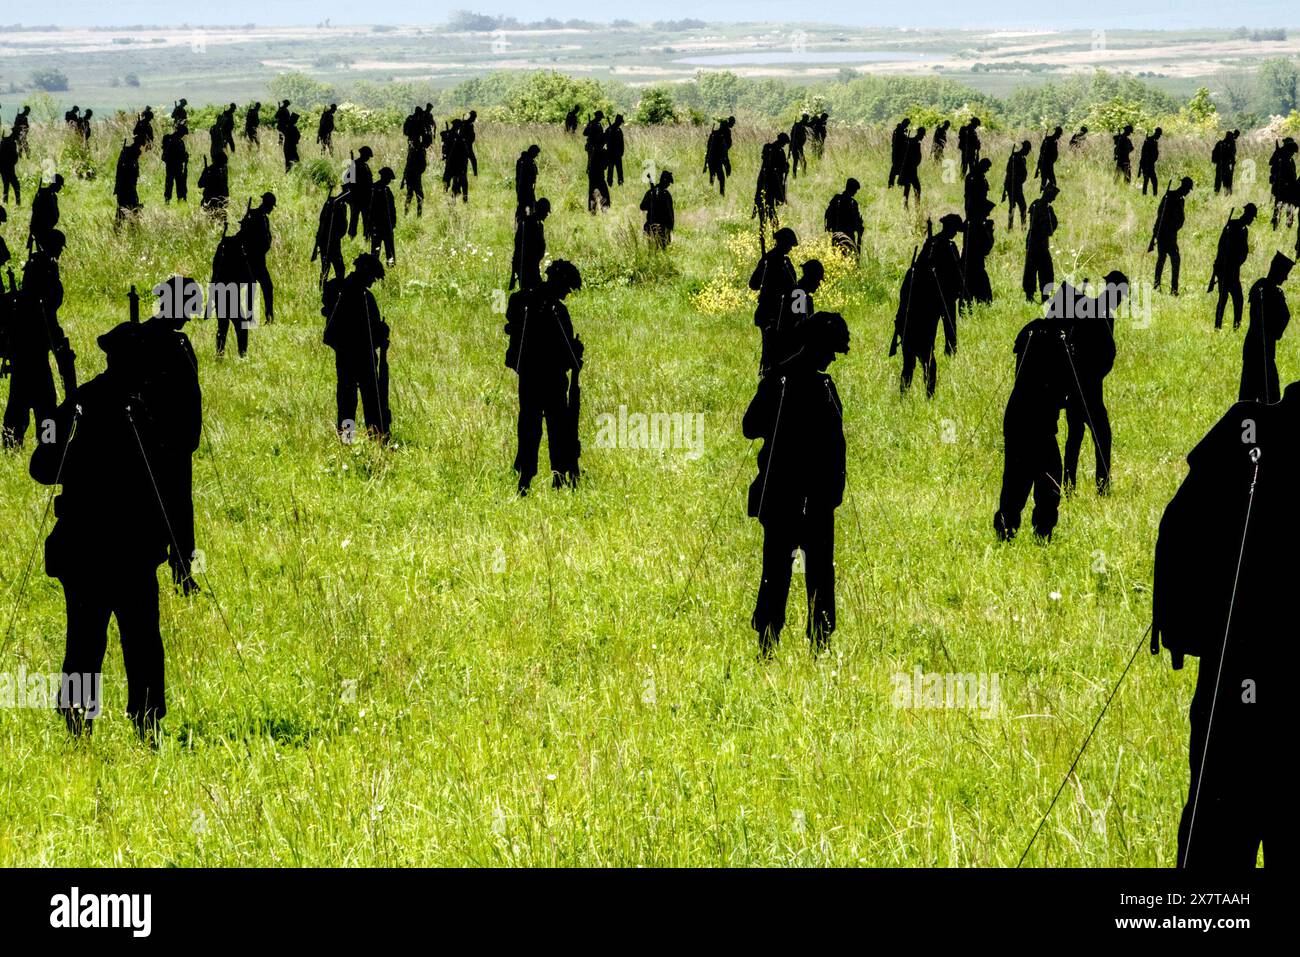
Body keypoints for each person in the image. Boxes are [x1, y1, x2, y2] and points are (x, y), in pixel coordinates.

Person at [1152, 380, 1300, 867]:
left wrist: (1179, 629)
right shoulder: (1246, 430)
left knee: (1214, 842)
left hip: (1234, 682)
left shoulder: (1245, 429)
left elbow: (1177, 527)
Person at [29, 314, 178, 742]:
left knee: (88, 641)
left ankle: (83, 723)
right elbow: (44, 465)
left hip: (88, 550)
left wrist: (65, 425)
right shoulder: (141, 409)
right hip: (124, 550)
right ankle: (144, 724)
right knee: (140, 641)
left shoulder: (84, 403)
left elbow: (43, 462)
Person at [744, 312, 850, 659]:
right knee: (817, 572)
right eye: (831, 351)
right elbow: (837, 441)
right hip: (811, 498)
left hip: (782, 496)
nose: (832, 358)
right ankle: (816, 646)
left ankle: (769, 645)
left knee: (777, 571)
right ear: (818, 347)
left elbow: (751, 426)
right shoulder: (819, 386)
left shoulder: (779, 379)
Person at [503, 259, 584, 494]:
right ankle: (557, 475)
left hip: (529, 378)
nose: (567, 294)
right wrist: (576, 353)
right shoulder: (556, 311)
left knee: (530, 426)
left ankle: (526, 478)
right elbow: (567, 350)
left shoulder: (524, 302)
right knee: (557, 428)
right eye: (566, 289)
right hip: (552, 379)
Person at [993, 308, 1074, 542]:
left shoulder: (1031, 331)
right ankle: (1041, 532)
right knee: (1049, 478)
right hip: (1039, 422)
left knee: (1015, 477)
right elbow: (1063, 386)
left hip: (1018, 416)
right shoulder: (1057, 341)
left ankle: (1007, 530)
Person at [1056, 273, 1127, 496]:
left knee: (1075, 436)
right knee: (1102, 437)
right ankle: (1101, 488)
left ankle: (1069, 487)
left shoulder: (1096, 310)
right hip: (1088, 388)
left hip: (1079, 386)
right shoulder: (1097, 312)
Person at [2, 230, 74, 448]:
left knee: (19, 406)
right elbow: (51, 311)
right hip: (35, 358)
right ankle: (48, 445)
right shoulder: (44, 278)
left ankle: (12, 446)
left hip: (23, 357)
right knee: (45, 408)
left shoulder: (22, 302)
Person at [323, 253, 391, 442]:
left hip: (345, 358)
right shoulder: (363, 297)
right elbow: (370, 335)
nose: (373, 281)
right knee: (370, 401)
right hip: (363, 358)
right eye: (372, 277)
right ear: (366, 273)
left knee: (347, 402)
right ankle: (375, 438)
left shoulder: (342, 292)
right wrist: (383, 333)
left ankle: (347, 439)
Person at [894, 214, 964, 396]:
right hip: (937, 300)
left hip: (923, 305)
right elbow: (956, 271)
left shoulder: (930, 245)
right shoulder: (947, 246)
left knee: (909, 362)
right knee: (929, 355)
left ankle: (906, 395)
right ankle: (928, 395)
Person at [1239, 252, 1294, 404]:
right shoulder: (1265, 289)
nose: (1286, 278)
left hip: (1258, 350)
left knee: (1253, 397)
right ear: (1278, 271)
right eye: (1285, 273)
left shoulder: (1262, 287)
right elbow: (1282, 317)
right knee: (1268, 399)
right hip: (1260, 351)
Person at [749, 227, 799, 371]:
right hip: (776, 312)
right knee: (776, 350)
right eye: (789, 245)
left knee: (770, 349)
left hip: (768, 311)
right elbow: (754, 284)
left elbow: (754, 284)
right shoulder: (781, 262)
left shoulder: (767, 260)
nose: (790, 248)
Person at [210, 222, 254, 359]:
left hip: (220, 292)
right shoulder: (238, 251)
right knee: (241, 326)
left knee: (222, 326)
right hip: (228, 294)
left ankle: (220, 354)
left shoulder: (223, 247)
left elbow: (214, 275)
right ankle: (242, 355)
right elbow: (249, 280)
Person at [1211, 204, 1256, 330]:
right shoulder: (1233, 227)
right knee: (1227, 299)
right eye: (1251, 217)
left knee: (1235, 299)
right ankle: (1221, 327)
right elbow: (1222, 247)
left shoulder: (1241, 229)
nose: (1252, 220)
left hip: (1233, 269)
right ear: (1247, 215)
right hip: (1226, 269)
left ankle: (1231, 327)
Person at [238, 192, 277, 323]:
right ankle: (253, 317)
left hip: (259, 259)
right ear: (267, 204)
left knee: (265, 287)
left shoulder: (262, 217)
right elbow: (243, 236)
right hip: (252, 259)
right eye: (271, 206)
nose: (272, 208)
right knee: (253, 287)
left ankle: (268, 315)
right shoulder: (253, 216)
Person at [1152, 176, 1193, 295]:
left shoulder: (1178, 199)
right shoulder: (1170, 197)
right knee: (1168, 259)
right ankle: (1168, 288)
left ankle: (1164, 287)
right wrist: (1156, 233)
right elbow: (1160, 215)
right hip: (1165, 233)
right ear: (1184, 187)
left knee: (1166, 259)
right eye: (1188, 189)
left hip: (1170, 234)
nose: (1188, 192)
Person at [1022, 183, 1059, 303]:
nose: (1054, 198)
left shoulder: (1045, 207)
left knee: (1045, 270)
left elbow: (1053, 224)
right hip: (1036, 243)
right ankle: (1031, 295)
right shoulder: (1039, 206)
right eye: (1053, 195)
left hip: (1040, 243)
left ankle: (1043, 295)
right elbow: (1044, 226)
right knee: (1034, 270)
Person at [961, 199, 996, 306]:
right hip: (975, 265)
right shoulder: (978, 226)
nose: (989, 214)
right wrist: (989, 232)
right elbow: (986, 249)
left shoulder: (969, 224)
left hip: (970, 264)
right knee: (983, 295)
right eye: (987, 211)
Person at [509, 198, 549, 291]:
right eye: (546, 211)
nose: (547, 214)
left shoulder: (539, 225)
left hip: (534, 266)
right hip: (527, 267)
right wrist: (514, 273)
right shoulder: (527, 224)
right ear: (541, 210)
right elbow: (518, 248)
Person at [311, 188, 348, 287]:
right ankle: (329, 290)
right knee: (335, 268)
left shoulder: (337, 204)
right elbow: (324, 223)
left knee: (329, 267)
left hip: (331, 241)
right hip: (329, 241)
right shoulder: (334, 204)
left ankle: (327, 289)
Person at [823, 178, 863, 257]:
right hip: (848, 235)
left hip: (836, 233)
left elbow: (828, 216)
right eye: (855, 190)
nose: (855, 192)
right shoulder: (852, 203)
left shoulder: (837, 199)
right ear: (851, 189)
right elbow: (856, 220)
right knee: (850, 256)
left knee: (837, 255)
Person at [368, 167, 397, 266]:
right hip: (378, 225)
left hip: (386, 225)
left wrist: (393, 223)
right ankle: (374, 269)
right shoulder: (374, 189)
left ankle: (390, 266)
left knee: (389, 251)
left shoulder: (386, 190)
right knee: (376, 251)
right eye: (388, 178)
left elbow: (392, 209)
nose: (389, 181)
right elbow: (370, 209)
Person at [113, 136, 144, 226]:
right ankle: (123, 230)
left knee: (131, 210)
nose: (140, 152)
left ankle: (132, 230)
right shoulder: (128, 156)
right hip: (125, 188)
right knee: (125, 209)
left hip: (128, 188)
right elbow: (125, 175)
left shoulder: (130, 155)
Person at [640, 171, 675, 248]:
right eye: (668, 182)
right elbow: (670, 213)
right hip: (662, 228)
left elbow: (642, 207)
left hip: (651, 227)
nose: (669, 185)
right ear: (665, 180)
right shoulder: (666, 194)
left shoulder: (650, 192)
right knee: (662, 250)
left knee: (653, 250)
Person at [583, 112, 609, 213]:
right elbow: (585, 133)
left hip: (595, 169)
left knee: (596, 190)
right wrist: (589, 127)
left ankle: (598, 209)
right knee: (596, 190)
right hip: (594, 168)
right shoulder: (592, 124)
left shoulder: (598, 124)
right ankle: (595, 209)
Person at [29, 175, 63, 251]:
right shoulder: (44, 194)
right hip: (41, 229)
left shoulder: (52, 196)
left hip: (48, 228)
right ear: (55, 183)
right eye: (60, 185)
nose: (60, 188)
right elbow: (36, 212)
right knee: (44, 251)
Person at [1003, 140, 1031, 230]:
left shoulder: (1022, 158)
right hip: (1012, 186)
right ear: (1025, 148)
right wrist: (1005, 189)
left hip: (1018, 186)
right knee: (1014, 206)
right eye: (1028, 150)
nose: (1028, 152)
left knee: (1021, 207)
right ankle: (1011, 227)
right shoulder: (1015, 157)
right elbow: (1008, 172)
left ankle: (1022, 226)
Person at [346, 146, 374, 238]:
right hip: (357, 197)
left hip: (365, 197)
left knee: (366, 219)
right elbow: (350, 181)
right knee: (354, 218)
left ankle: (367, 236)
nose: (368, 158)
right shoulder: (355, 164)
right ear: (364, 155)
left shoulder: (364, 165)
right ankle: (352, 236)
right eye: (367, 156)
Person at [704, 116, 735, 196]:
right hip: (717, 161)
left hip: (711, 160)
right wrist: (727, 165)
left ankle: (710, 196)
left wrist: (705, 164)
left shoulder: (714, 134)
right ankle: (721, 195)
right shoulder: (723, 136)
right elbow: (724, 152)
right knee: (721, 179)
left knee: (712, 178)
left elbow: (708, 150)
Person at [898, 126, 926, 209]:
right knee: (917, 188)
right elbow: (910, 157)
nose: (922, 137)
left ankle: (905, 205)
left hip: (911, 169)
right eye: (922, 135)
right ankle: (916, 206)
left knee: (908, 187)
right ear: (920, 134)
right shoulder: (914, 142)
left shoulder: (913, 141)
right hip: (911, 169)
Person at [402, 131, 429, 217]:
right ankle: (418, 215)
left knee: (411, 195)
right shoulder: (418, 150)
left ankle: (407, 214)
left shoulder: (413, 150)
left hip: (411, 175)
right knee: (419, 196)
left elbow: (408, 165)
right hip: (414, 176)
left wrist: (404, 178)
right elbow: (421, 165)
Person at [161, 123, 189, 203]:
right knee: (177, 183)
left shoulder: (170, 139)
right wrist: (185, 157)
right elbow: (179, 155)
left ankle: (169, 200)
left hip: (172, 165)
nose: (183, 135)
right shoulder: (178, 141)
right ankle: (177, 199)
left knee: (171, 183)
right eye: (183, 133)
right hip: (175, 165)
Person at [964, 157, 992, 227]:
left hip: (980, 205)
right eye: (987, 167)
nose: (988, 170)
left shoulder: (980, 176)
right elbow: (970, 194)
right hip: (975, 206)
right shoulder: (973, 177)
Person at [514, 144, 540, 219]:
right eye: (536, 153)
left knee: (526, 206)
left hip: (525, 188)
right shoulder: (525, 161)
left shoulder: (524, 160)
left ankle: (524, 220)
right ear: (532, 152)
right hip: (525, 189)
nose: (536, 155)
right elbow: (524, 178)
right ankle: (525, 222)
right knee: (526, 206)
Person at [1212, 129, 1240, 195]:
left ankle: (1216, 193)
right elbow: (1232, 155)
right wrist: (1232, 163)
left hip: (1219, 165)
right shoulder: (1230, 144)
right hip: (1226, 165)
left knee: (1218, 180)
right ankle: (1227, 195)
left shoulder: (1220, 143)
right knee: (1227, 182)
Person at [887, 117, 911, 189]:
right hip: (897, 153)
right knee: (895, 169)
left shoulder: (899, 130)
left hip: (899, 153)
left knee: (898, 169)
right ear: (903, 123)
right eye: (906, 124)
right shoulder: (898, 131)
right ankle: (892, 184)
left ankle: (896, 184)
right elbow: (901, 139)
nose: (906, 126)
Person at [1139, 127, 1162, 196]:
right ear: (1156, 133)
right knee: (1147, 180)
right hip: (1146, 164)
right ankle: (1145, 194)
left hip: (1151, 164)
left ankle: (1153, 195)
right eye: (1159, 134)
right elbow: (1143, 153)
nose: (1159, 136)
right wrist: (1142, 165)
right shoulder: (1149, 140)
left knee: (1152, 181)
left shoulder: (1154, 141)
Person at [0, 127, 19, 205]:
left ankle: (5, 202)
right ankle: (18, 202)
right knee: (16, 186)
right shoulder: (11, 144)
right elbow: (15, 158)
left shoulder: (3, 143)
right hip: (9, 169)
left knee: (6, 186)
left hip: (4, 169)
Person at [604, 114, 625, 187]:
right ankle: (610, 183)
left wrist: (622, 151)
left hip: (618, 153)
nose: (620, 123)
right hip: (611, 153)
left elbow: (621, 142)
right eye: (620, 121)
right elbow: (604, 139)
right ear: (617, 121)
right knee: (610, 169)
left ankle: (620, 182)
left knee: (619, 170)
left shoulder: (619, 130)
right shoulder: (609, 129)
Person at [789, 113, 809, 180]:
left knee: (797, 162)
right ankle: (801, 175)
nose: (807, 120)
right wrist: (789, 151)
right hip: (797, 147)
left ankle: (796, 176)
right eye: (807, 119)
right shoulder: (799, 126)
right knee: (800, 162)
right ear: (804, 118)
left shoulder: (799, 125)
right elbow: (792, 138)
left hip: (797, 147)